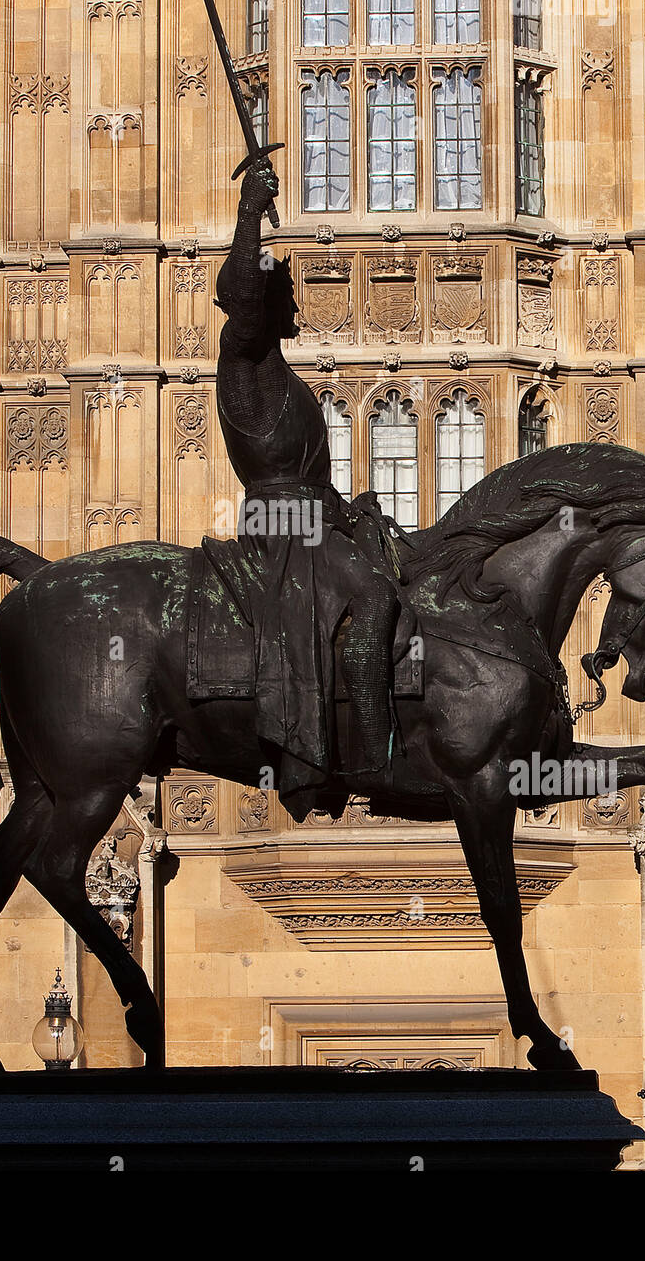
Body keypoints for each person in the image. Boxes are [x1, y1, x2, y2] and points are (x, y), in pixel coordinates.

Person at [208, 157, 405, 810]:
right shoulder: (243, 361)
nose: (294, 304)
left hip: (314, 519)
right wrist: (247, 213)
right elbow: (241, 295)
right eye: (282, 296)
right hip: (280, 528)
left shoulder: (280, 377)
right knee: (374, 594)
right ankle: (373, 757)